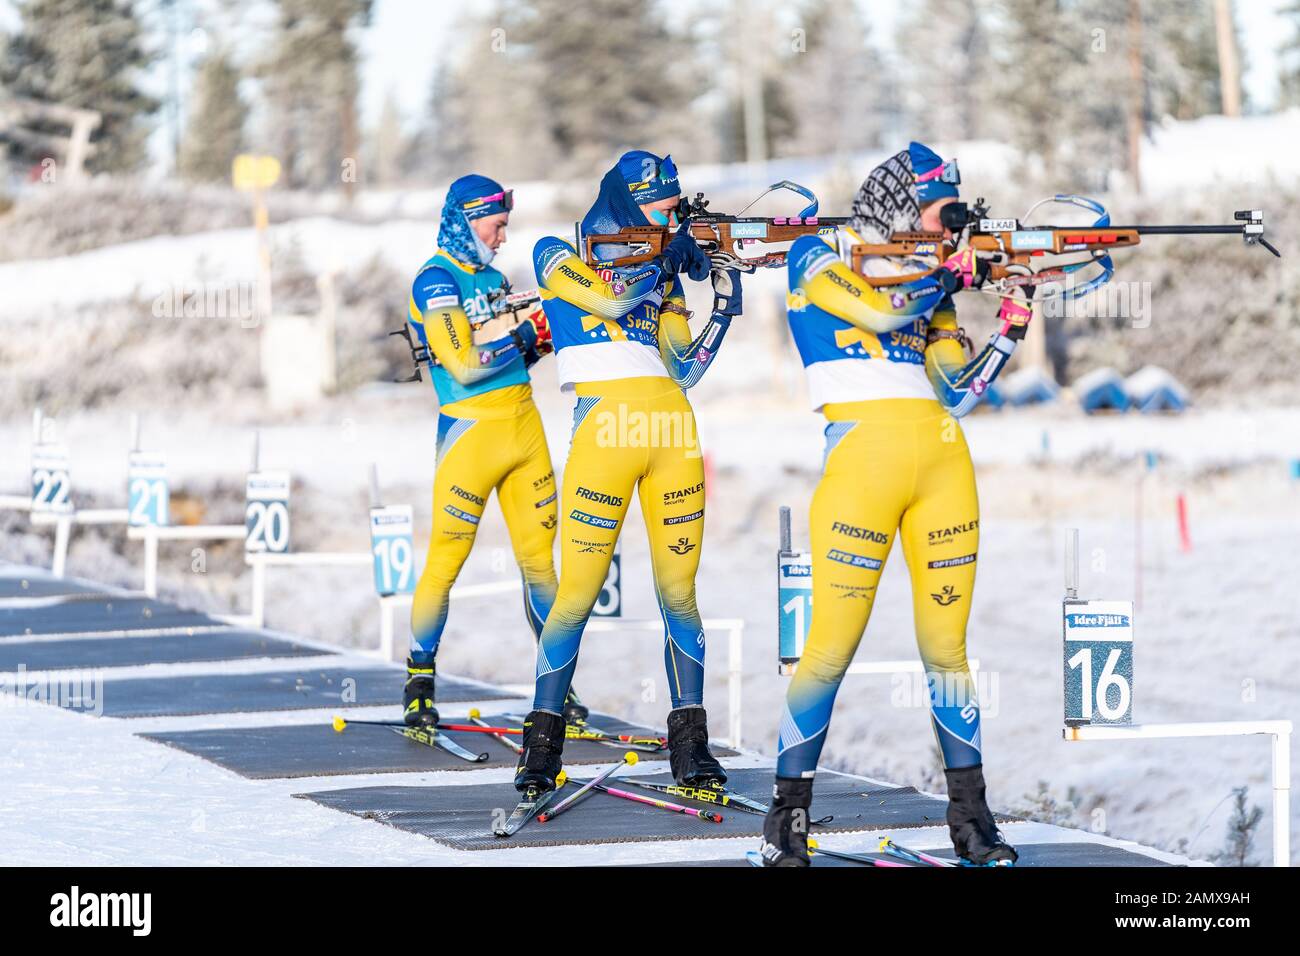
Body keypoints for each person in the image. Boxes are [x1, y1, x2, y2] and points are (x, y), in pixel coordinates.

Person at [758, 143, 1027, 867]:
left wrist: (1010, 326)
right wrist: (944, 272)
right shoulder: (817, 254)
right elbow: (875, 313)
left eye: (953, 218)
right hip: (860, 469)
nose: (950, 228)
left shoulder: (933, 282)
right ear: (903, 207)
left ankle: (972, 822)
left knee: (948, 651)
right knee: (830, 651)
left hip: (944, 467)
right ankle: (787, 818)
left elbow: (958, 395)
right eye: (941, 214)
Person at [512, 150, 744, 794]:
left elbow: (683, 370)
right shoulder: (556, 250)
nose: (673, 213)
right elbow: (607, 301)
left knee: (680, 593)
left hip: (672, 429)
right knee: (576, 595)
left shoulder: (665, 265)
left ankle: (691, 749)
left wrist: (722, 304)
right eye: (662, 204)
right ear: (627, 201)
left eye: (676, 205)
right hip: (604, 431)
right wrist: (666, 257)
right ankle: (541, 747)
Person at [403, 173, 587, 728]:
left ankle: (558, 689)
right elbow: (463, 365)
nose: (505, 236)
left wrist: (546, 336)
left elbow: (513, 358)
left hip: (524, 429)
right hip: (470, 436)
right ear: (467, 218)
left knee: (542, 567)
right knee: (446, 562)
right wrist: (527, 336)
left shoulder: (496, 277)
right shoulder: (435, 280)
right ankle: (420, 683)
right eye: (498, 224)